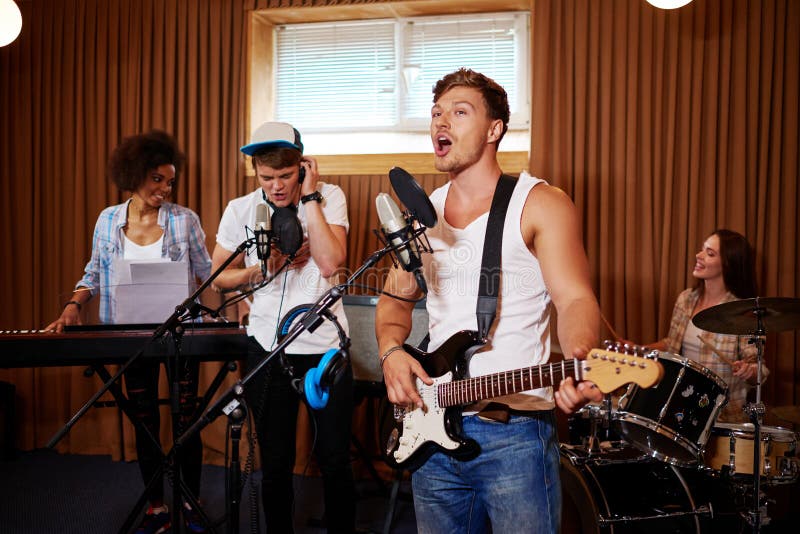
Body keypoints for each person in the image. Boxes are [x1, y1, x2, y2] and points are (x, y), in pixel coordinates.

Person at [375, 68, 603, 533]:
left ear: (494, 129)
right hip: (431, 424)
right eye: (437, 113)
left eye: (460, 112)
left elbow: (575, 298)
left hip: (514, 430)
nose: (442, 122)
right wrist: (391, 354)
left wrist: (581, 356)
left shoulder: (540, 203)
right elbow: (394, 306)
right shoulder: (423, 215)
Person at [45, 130, 212, 533]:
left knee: (187, 419)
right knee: (144, 422)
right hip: (131, 337)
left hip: (181, 337)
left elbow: (208, 275)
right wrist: (72, 307)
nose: (165, 188)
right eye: (157, 179)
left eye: (170, 181)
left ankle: (191, 501)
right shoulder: (108, 220)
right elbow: (93, 274)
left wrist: (244, 303)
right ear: (135, 175)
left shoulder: (184, 220)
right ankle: (156, 506)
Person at [211, 122, 355, 533]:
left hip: (326, 347)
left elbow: (331, 264)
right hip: (267, 348)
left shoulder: (329, 198)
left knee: (334, 458)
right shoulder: (240, 209)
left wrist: (309, 198)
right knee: (274, 460)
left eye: (286, 176)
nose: (276, 187)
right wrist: (261, 270)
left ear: (303, 166)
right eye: (266, 178)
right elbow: (219, 276)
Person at [633, 229, 766, 423]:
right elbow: (672, 344)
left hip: (723, 415)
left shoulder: (743, 312)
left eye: (710, 253)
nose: (698, 255)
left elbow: (759, 369)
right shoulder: (686, 299)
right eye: (702, 249)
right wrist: (641, 350)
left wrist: (749, 370)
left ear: (728, 264)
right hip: (681, 405)